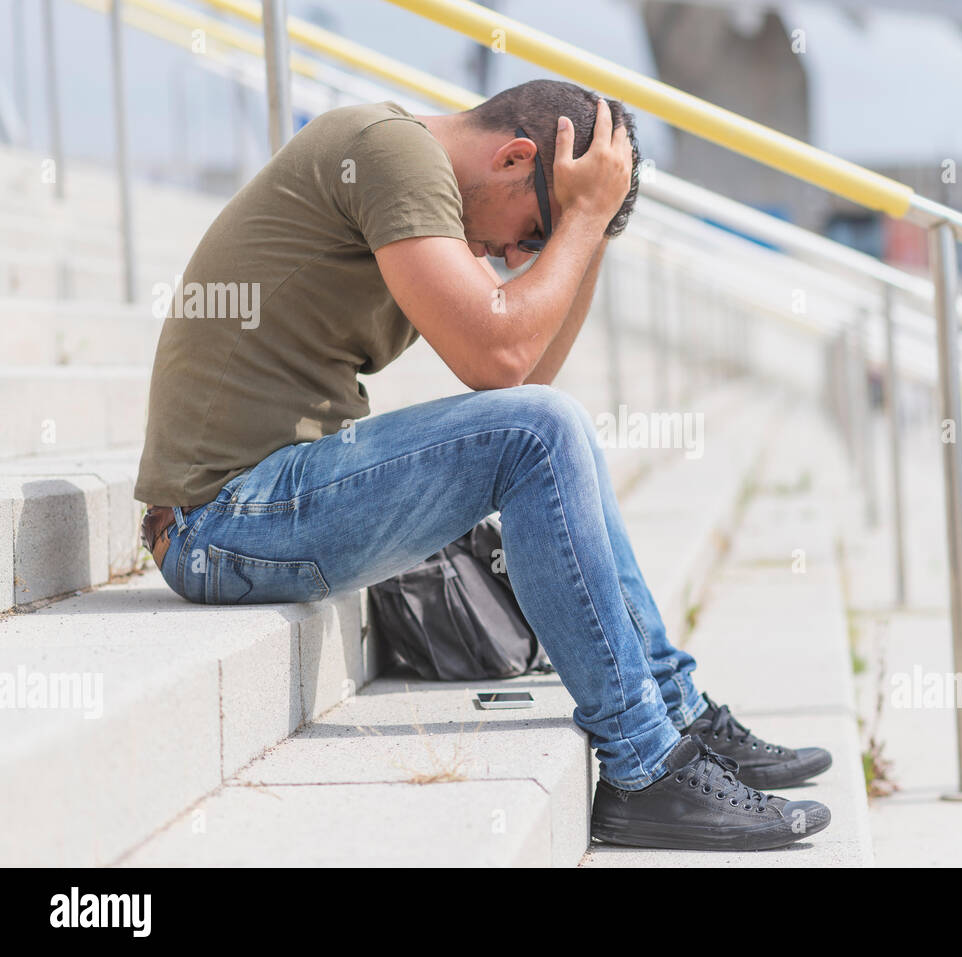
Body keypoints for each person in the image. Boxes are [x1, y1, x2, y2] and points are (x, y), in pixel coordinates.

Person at [135, 79, 832, 852]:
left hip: (271, 496)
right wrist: (585, 216)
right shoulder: (392, 153)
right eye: (532, 231)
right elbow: (499, 358)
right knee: (540, 430)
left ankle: (676, 712)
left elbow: (527, 378)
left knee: (549, 428)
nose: (514, 258)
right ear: (514, 157)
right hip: (218, 518)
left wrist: (586, 233)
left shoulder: (432, 188)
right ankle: (643, 762)